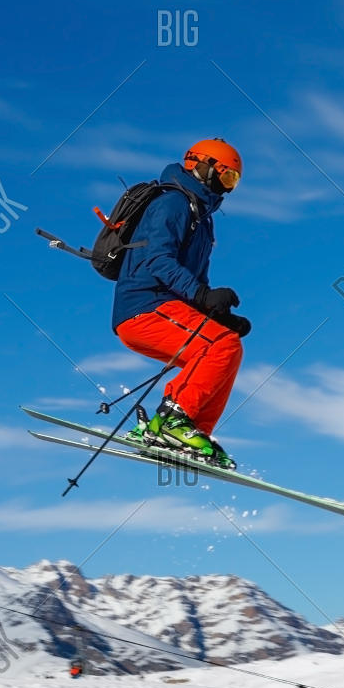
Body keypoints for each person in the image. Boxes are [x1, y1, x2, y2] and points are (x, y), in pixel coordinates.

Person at [114, 138, 250, 469]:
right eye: (225, 176)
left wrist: (214, 310)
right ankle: (172, 423)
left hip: (168, 308)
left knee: (228, 348)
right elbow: (157, 260)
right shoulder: (173, 202)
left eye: (233, 180)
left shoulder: (202, 218)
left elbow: (193, 278)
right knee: (219, 347)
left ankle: (193, 433)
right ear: (202, 166)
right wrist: (202, 297)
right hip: (146, 306)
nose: (227, 188)